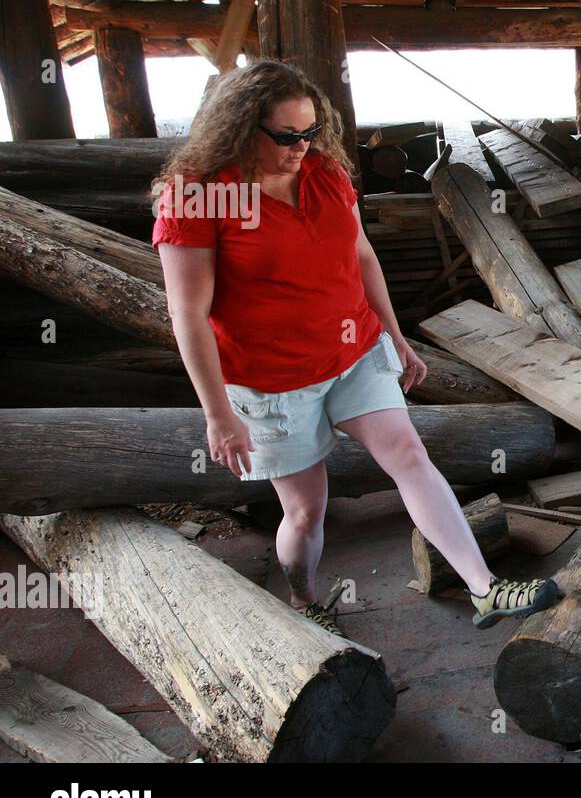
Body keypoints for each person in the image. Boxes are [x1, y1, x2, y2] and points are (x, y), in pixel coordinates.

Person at [150, 60, 557, 637]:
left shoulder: (324, 174)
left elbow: (360, 255)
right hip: (270, 377)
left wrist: (393, 334)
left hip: (353, 350)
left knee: (410, 457)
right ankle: (303, 600)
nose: (301, 146)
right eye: (286, 136)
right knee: (306, 510)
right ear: (241, 128)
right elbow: (187, 313)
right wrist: (218, 414)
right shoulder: (199, 197)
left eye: (310, 131)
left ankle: (485, 589)